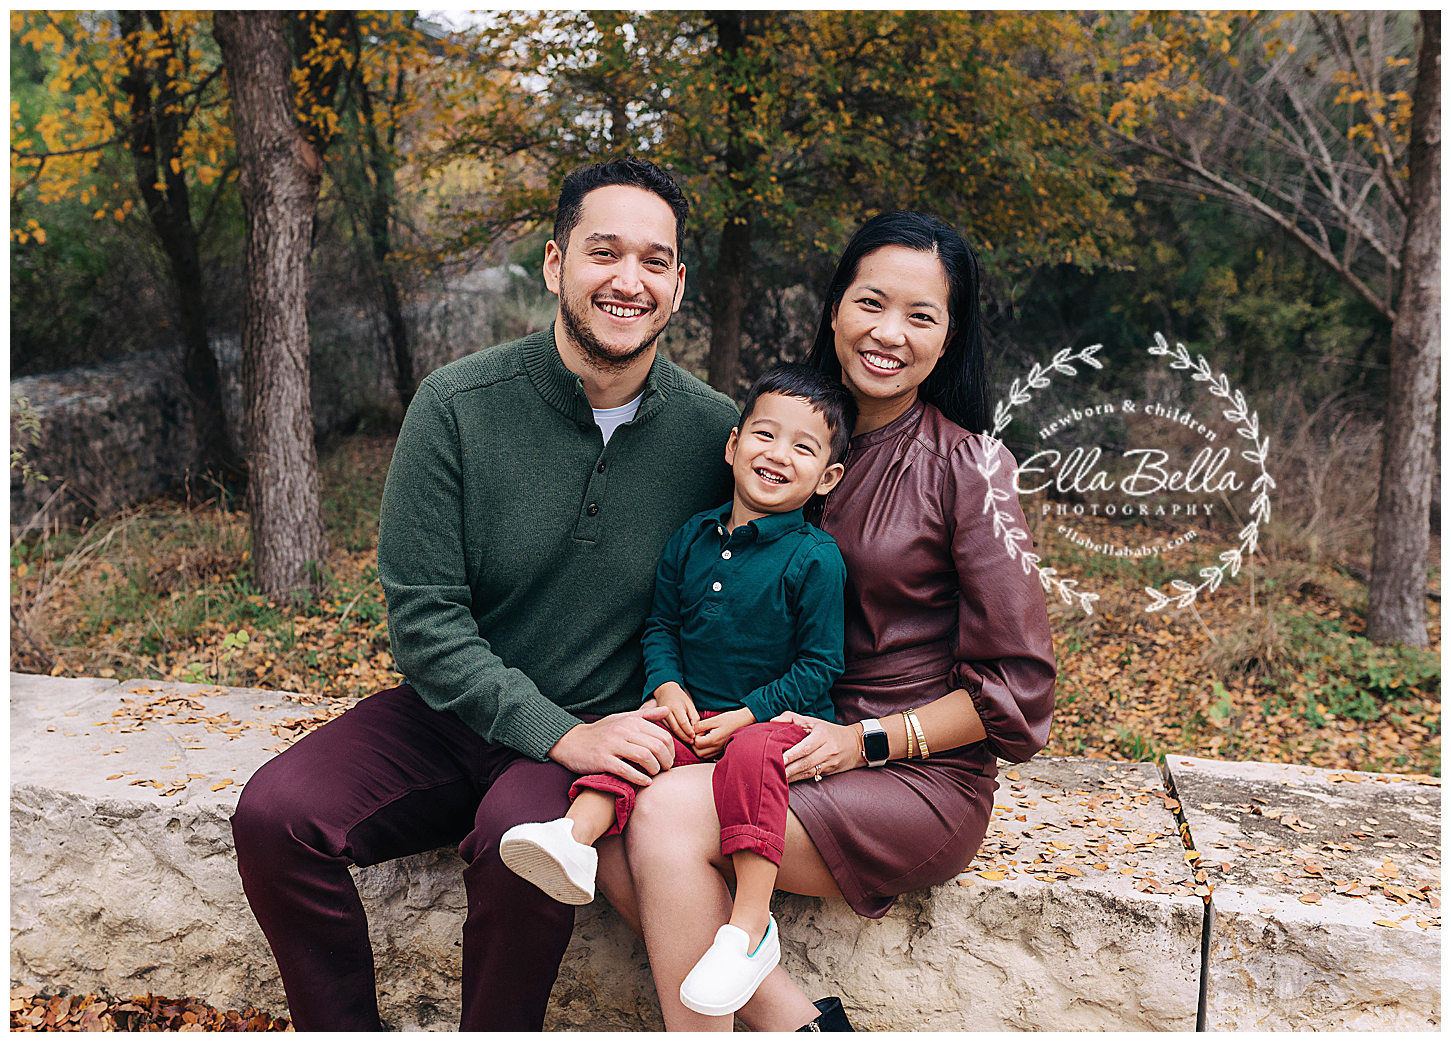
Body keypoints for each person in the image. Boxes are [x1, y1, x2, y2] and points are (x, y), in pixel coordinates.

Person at [228, 157, 741, 1031]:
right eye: (603, 252)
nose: (629, 280)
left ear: (679, 283)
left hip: (594, 735)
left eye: (654, 261)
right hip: (451, 712)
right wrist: (556, 730)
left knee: (522, 854)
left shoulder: (718, 438)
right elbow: (425, 621)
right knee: (274, 817)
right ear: (554, 263)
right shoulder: (457, 405)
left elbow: (761, 588)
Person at [615, 211, 1057, 1031]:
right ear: (834, 308)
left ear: (948, 337)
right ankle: (798, 1024)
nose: (888, 334)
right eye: (870, 303)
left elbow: (1018, 698)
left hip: (908, 770)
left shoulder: (971, 468)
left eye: (920, 317)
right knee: (606, 807)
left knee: (665, 814)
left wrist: (865, 741)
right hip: (772, 735)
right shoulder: (782, 439)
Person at [498, 363, 855, 1018]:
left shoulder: (813, 558)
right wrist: (665, 687)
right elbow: (662, 626)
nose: (777, 455)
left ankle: (747, 929)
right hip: (696, 716)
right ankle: (572, 840)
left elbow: (819, 666)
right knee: (634, 735)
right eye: (764, 435)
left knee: (751, 757)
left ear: (827, 476)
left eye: (802, 447)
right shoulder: (692, 538)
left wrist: (749, 715)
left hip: (776, 725)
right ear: (732, 443)